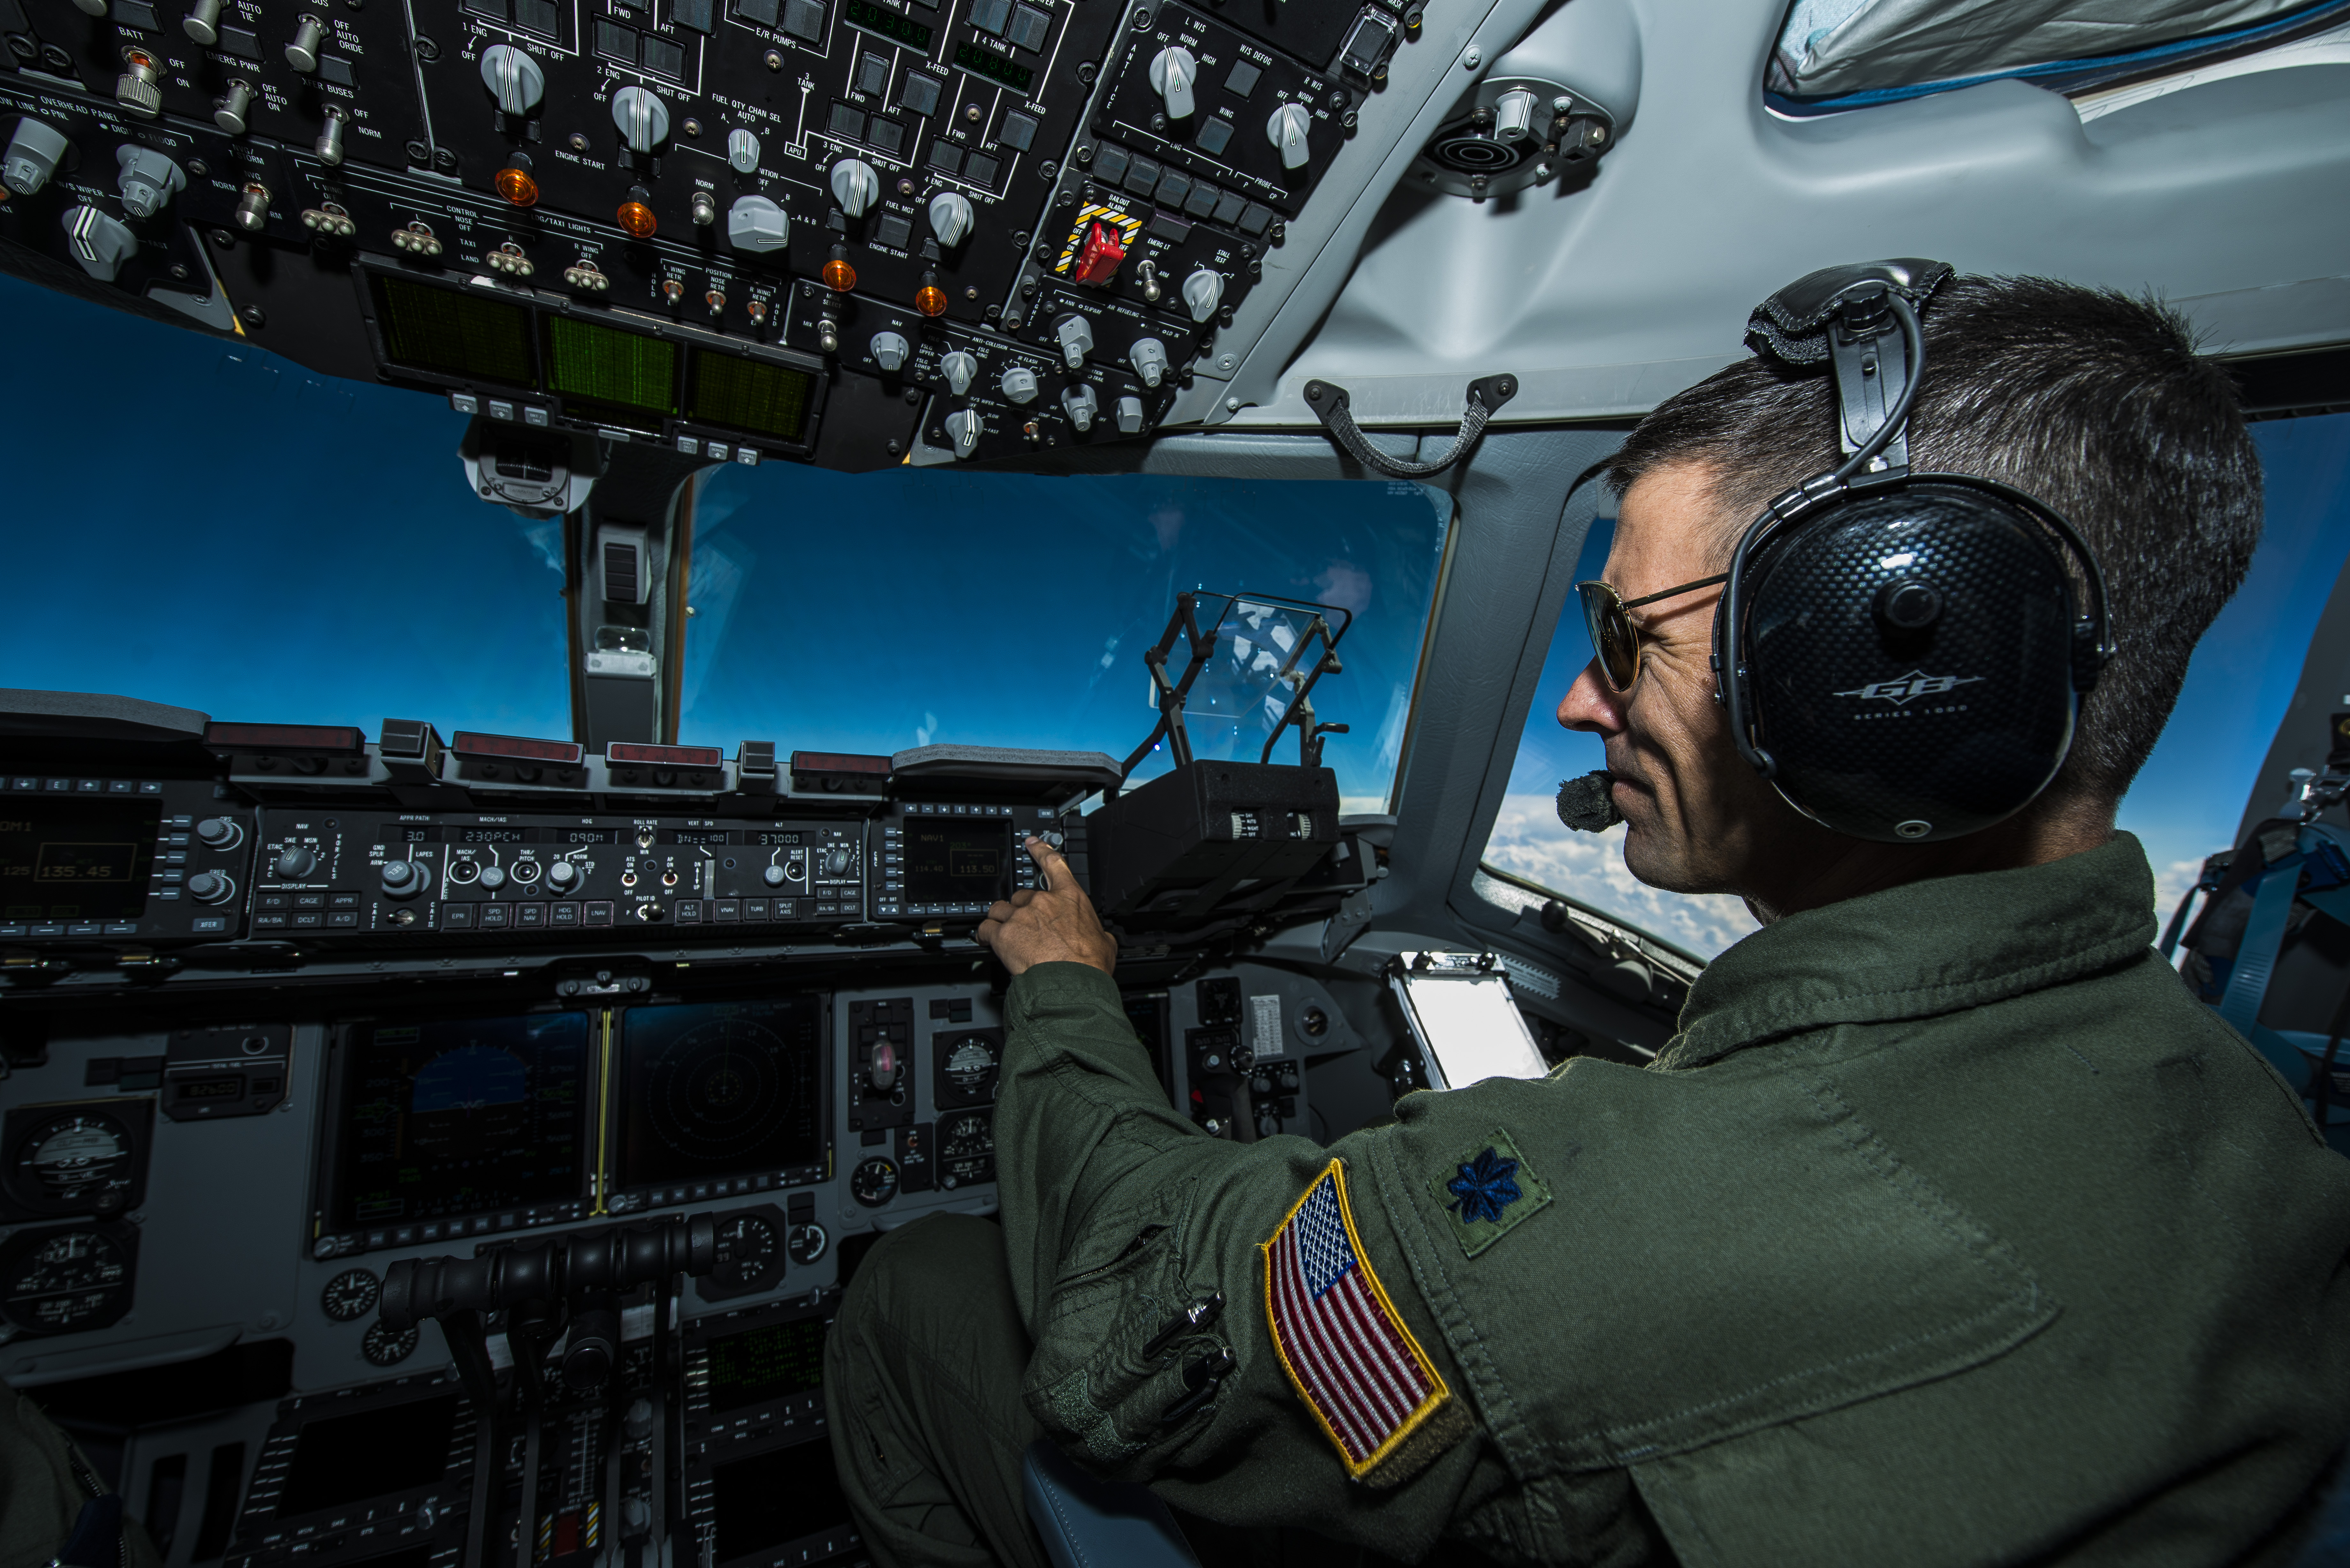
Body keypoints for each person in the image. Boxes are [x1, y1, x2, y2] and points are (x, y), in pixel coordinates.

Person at [823, 275, 2350, 1567]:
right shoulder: (2250, 1122)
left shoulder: (1643, 1215)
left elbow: (1141, 1306)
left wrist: (1066, 982)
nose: (1573, 700)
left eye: (1624, 638)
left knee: (917, 1282)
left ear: (1878, 672)